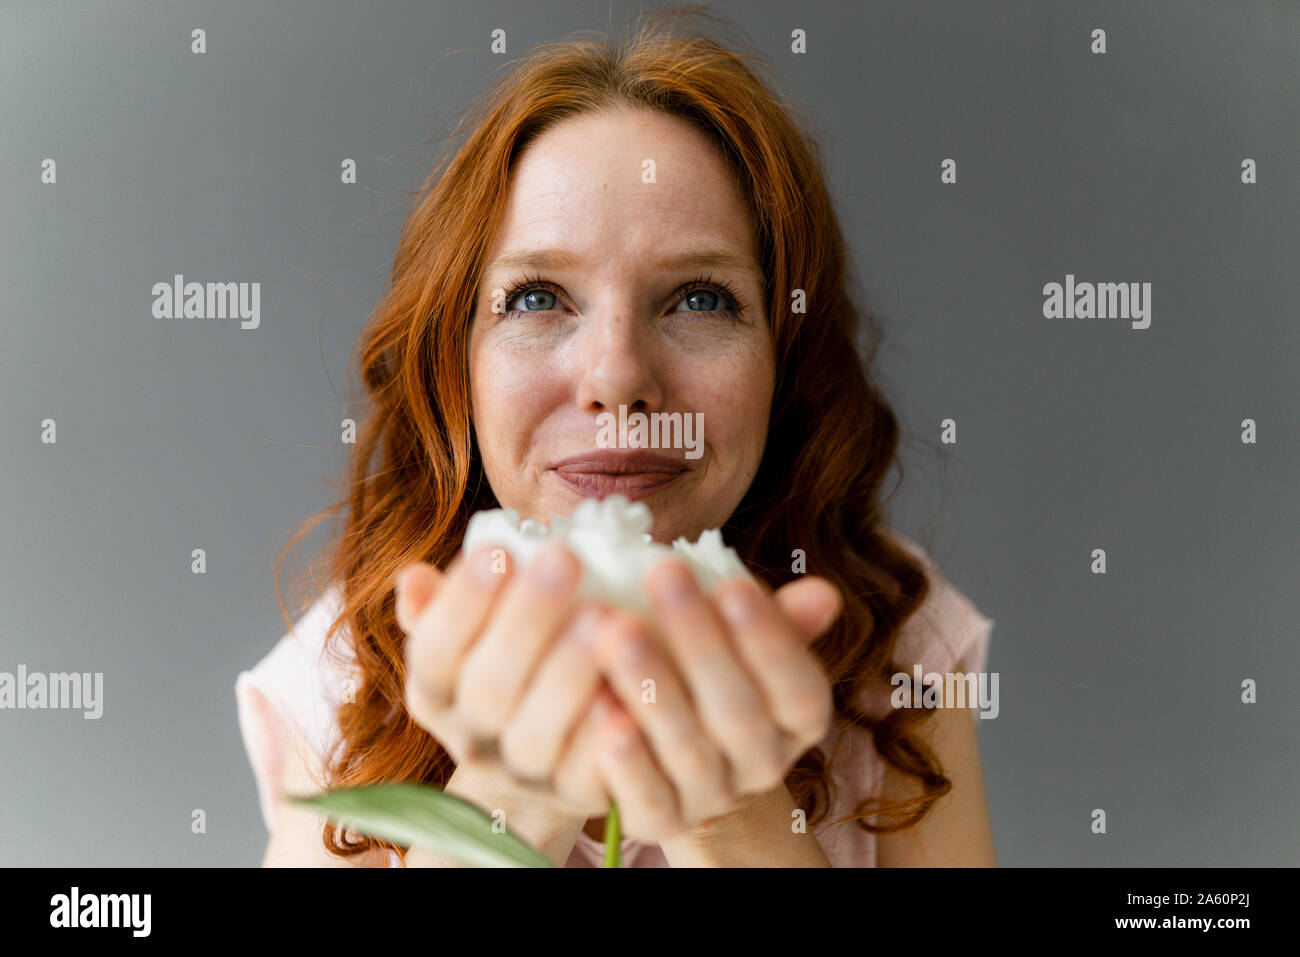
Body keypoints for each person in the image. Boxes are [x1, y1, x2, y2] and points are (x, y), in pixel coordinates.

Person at [236, 6, 997, 867]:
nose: (616, 379)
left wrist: (728, 814)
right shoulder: (351, 671)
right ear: (459, 364)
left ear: (785, 359)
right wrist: (514, 797)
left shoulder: (894, 643)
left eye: (700, 298)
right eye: (537, 298)